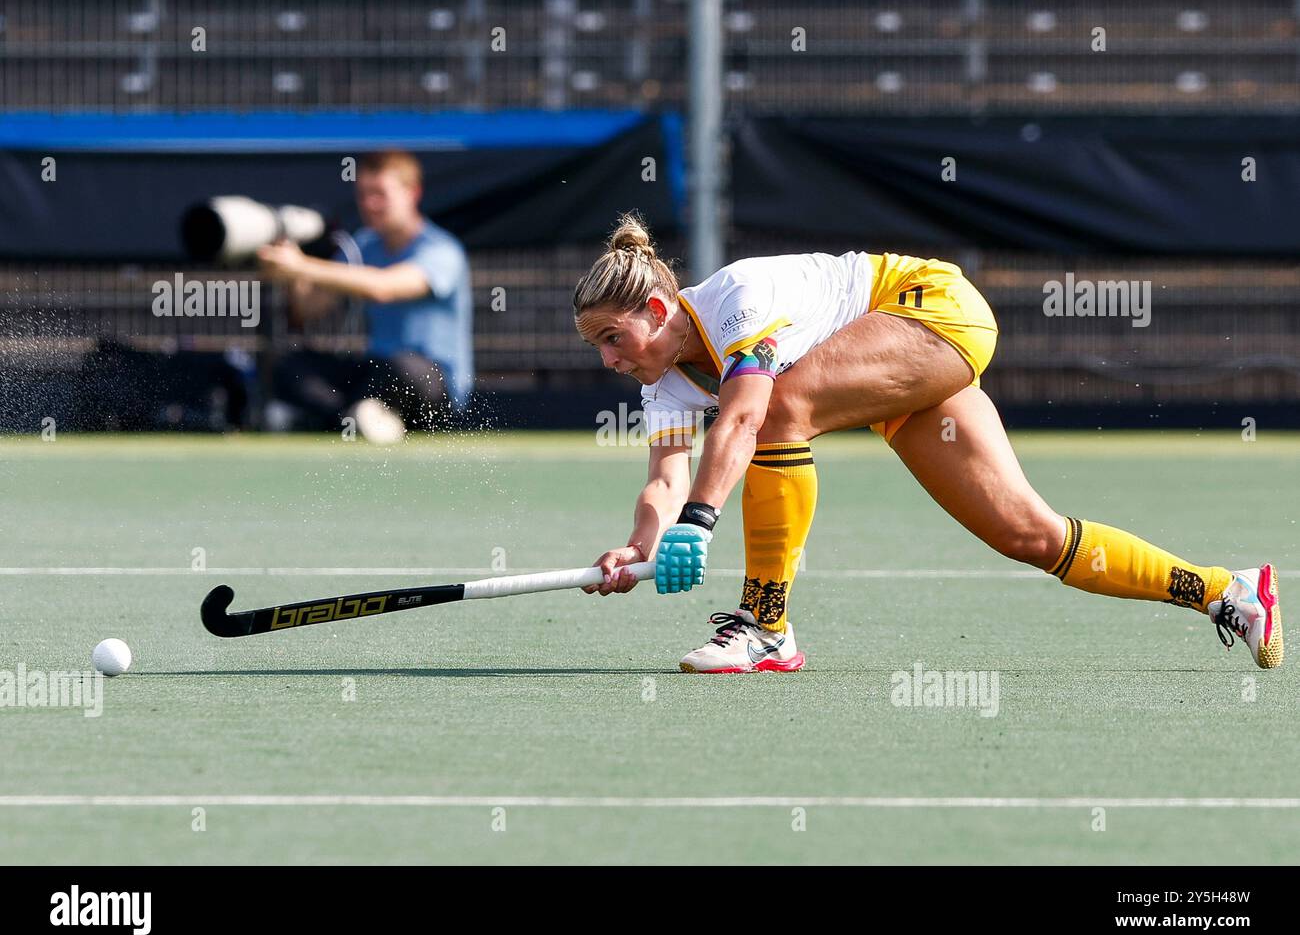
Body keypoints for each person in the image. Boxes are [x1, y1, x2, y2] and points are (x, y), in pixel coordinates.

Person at [573, 212, 1283, 674]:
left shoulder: (736, 299)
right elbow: (666, 480)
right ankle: (1230, 593)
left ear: (660, 309)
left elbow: (745, 420)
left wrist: (700, 522)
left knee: (780, 408)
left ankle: (766, 625)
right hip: (889, 372)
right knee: (1029, 534)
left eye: (613, 337)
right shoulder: (663, 383)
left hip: (930, 312)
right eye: (598, 346)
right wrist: (639, 545)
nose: (609, 358)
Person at [257, 150, 473, 441]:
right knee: (290, 366)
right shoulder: (365, 245)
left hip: (429, 384)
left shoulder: (441, 250)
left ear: (412, 193)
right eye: (363, 194)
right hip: (373, 373)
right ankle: (360, 417)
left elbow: (383, 288)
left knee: (407, 369)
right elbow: (308, 309)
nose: (369, 204)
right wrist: (295, 266)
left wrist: (303, 265)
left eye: (380, 194)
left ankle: (346, 417)